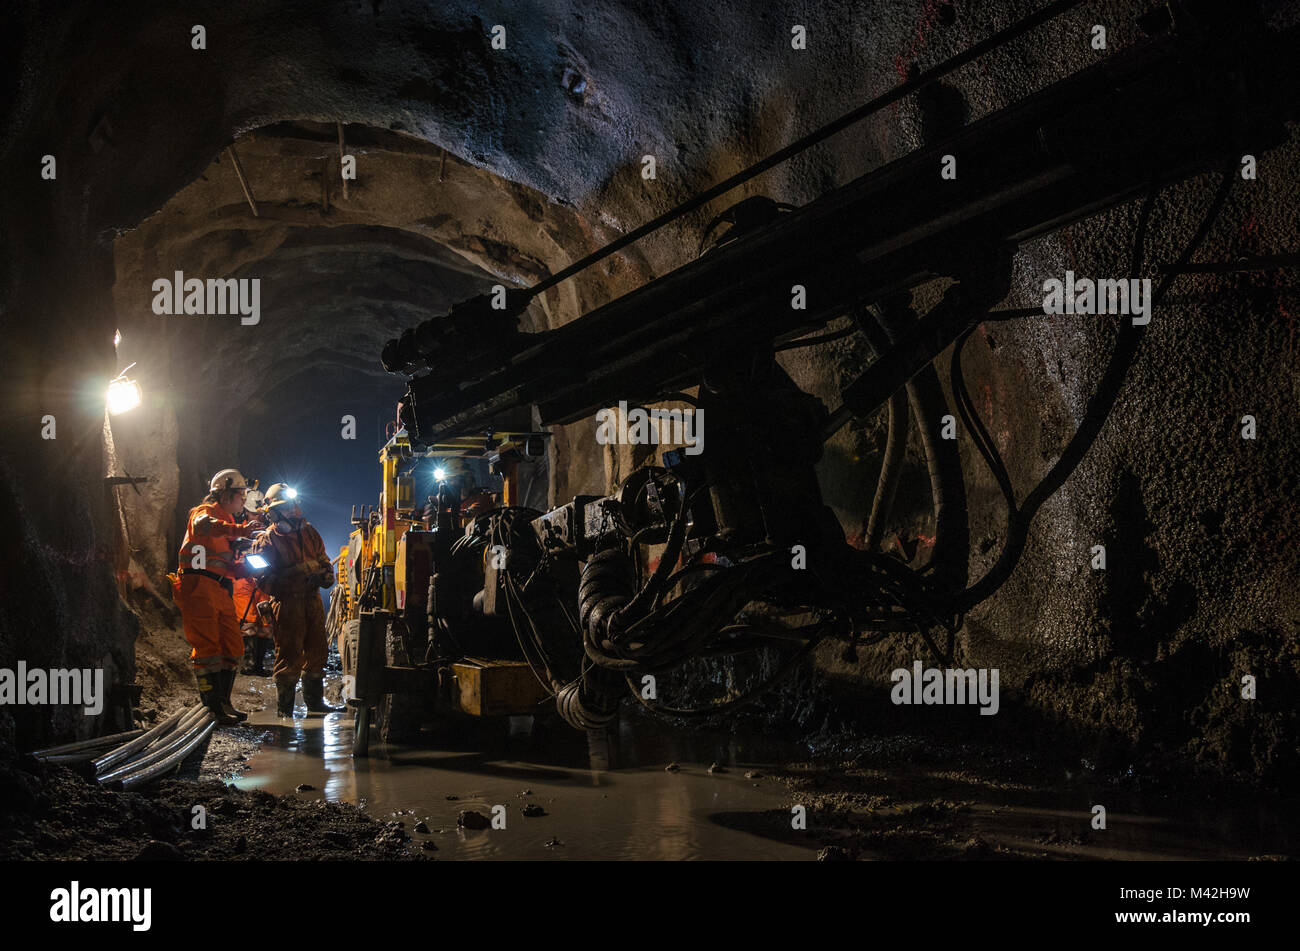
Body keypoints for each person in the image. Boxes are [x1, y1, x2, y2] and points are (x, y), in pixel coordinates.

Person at [174, 468, 262, 725]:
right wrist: (242, 531)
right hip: (197, 585)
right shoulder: (204, 513)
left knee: (233, 646)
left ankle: (223, 702)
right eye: (240, 494)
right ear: (224, 494)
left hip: (219, 587)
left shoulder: (228, 523)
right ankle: (211, 707)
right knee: (208, 647)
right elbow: (205, 527)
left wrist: (251, 569)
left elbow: (225, 565)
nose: (243, 499)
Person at [249, 484, 338, 717]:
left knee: (318, 651)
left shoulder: (310, 533)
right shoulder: (266, 541)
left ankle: (315, 704)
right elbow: (261, 579)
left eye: (294, 506)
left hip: (312, 601)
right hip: (286, 605)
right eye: (286, 508)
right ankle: (285, 711)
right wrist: (298, 579)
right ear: (273, 513)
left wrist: (325, 576)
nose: (294, 512)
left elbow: (324, 561)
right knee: (288, 656)